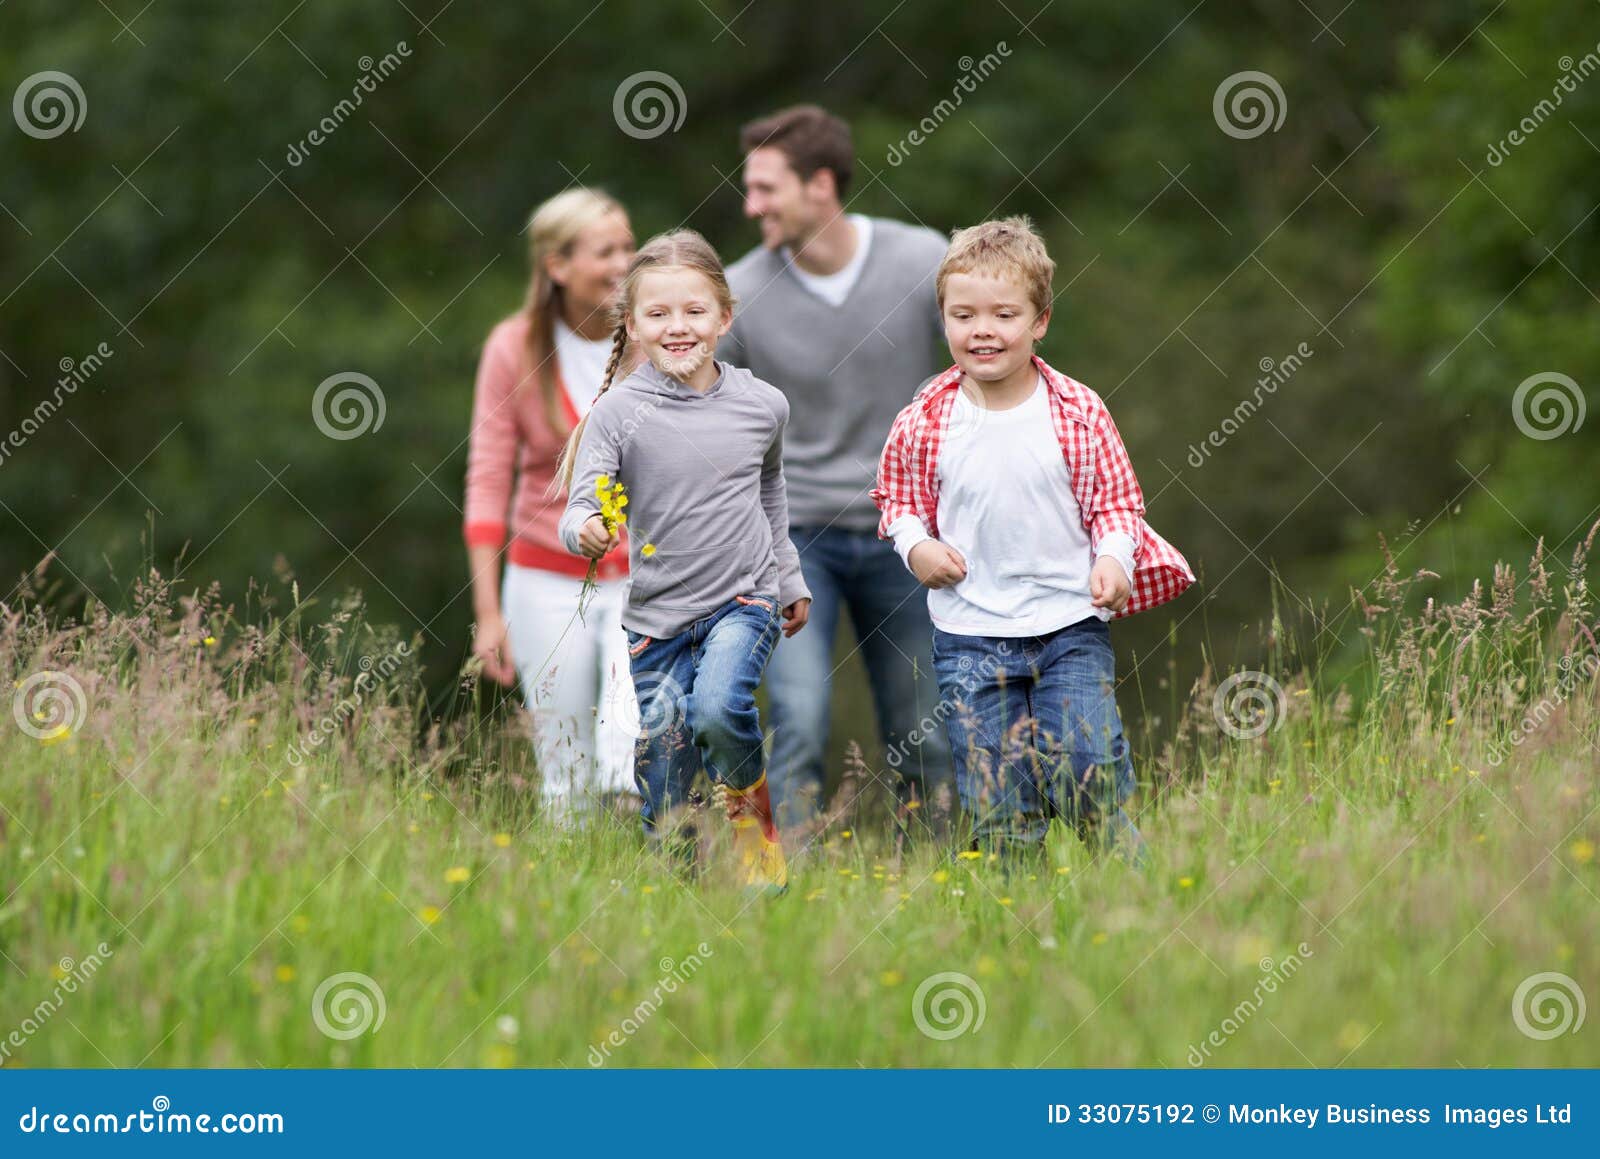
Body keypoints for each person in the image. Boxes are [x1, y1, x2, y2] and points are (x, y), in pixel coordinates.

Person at [872, 217, 1195, 865]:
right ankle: (1015, 927)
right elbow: (897, 502)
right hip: (969, 633)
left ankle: (1142, 894)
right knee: (999, 798)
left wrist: (1113, 557)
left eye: (1003, 314)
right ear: (943, 321)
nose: (982, 330)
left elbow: (1117, 504)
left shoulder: (1077, 410)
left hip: (1069, 621)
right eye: (963, 315)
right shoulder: (925, 417)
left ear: (1040, 320)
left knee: (1085, 771)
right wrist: (917, 548)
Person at [717, 104, 954, 837]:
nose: (750, 205)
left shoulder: (924, 263)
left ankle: (950, 877)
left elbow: (983, 376)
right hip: (793, 541)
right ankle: (780, 896)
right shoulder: (740, 292)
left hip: (905, 533)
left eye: (765, 188)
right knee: (797, 718)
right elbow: (718, 428)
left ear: (820, 185)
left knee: (927, 726)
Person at [558, 229, 811, 891]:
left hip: (744, 599)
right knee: (664, 768)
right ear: (633, 324)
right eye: (659, 313)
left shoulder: (763, 405)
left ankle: (757, 841)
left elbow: (770, 487)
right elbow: (579, 504)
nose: (678, 327)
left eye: (695, 311)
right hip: (656, 620)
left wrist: (787, 575)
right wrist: (586, 527)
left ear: (724, 317)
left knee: (719, 709)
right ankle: (675, 894)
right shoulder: (616, 413)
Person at [463, 188, 639, 824]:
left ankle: (646, 885)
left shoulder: (656, 339)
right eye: (605, 251)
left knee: (630, 751)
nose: (623, 262)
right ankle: (570, 901)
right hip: (542, 580)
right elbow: (487, 479)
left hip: (642, 579)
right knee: (566, 769)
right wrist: (488, 613)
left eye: (629, 246)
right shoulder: (514, 348)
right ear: (557, 266)